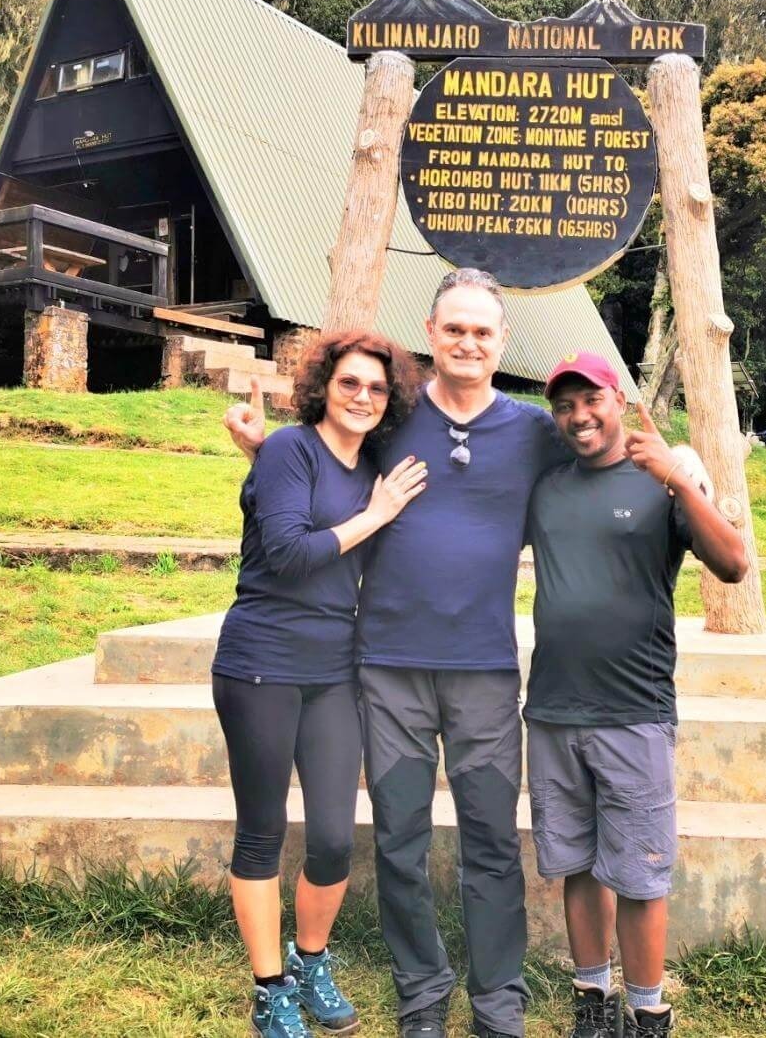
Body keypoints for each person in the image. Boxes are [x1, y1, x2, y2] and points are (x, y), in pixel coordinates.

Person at [227, 270, 556, 1038]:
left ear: (502, 341)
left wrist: (680, 467)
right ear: (431, 334)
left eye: (483, 331)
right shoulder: (392, 418)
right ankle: (420, 990)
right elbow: (318, 472)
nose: (469, 343)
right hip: (387, 665)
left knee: (491, 841)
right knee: (402, 839)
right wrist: (262, 451)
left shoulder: (534, 429)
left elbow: (596, 465)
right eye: (454, 329)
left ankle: (498, 998)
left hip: (483, 668)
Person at [211, 331, 427, 1038]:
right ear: (322, 388)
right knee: (262, 832)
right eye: (349, 383)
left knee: (334, 837)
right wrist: (375, 514)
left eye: (375, 387)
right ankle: (269, 988)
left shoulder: (369, 464)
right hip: (261, 664)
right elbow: (287, 551)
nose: (363, 396)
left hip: (333, 672)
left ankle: (310, 960)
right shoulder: (290, 449)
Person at [527, 353, 747, 1038]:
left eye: (590, 399)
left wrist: (680, 479)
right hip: (554, 710)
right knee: (578, 865)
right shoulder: (547, 488)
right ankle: (592, 1001)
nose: (579, 415)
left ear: (617, 398)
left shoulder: (661, 481)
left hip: (634, 712)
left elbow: (734, 562)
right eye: (564, 405)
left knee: (642, 873)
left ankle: (648, 1009)